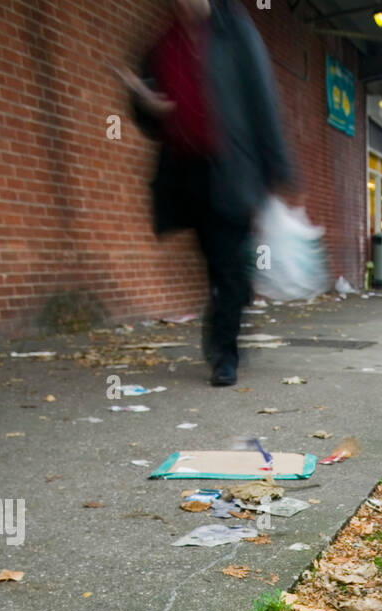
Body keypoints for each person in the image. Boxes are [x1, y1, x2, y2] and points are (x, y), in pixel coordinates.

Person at [116, 0, 291, 387]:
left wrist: (278, 168)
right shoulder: (162, 44)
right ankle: (226, 324)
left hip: (231, 169)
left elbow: (262, 97)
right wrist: (148, 105)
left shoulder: (234, 32)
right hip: (185, 174)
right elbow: (148, 113)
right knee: (217, 263)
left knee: (229, 265)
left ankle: (224, 354)